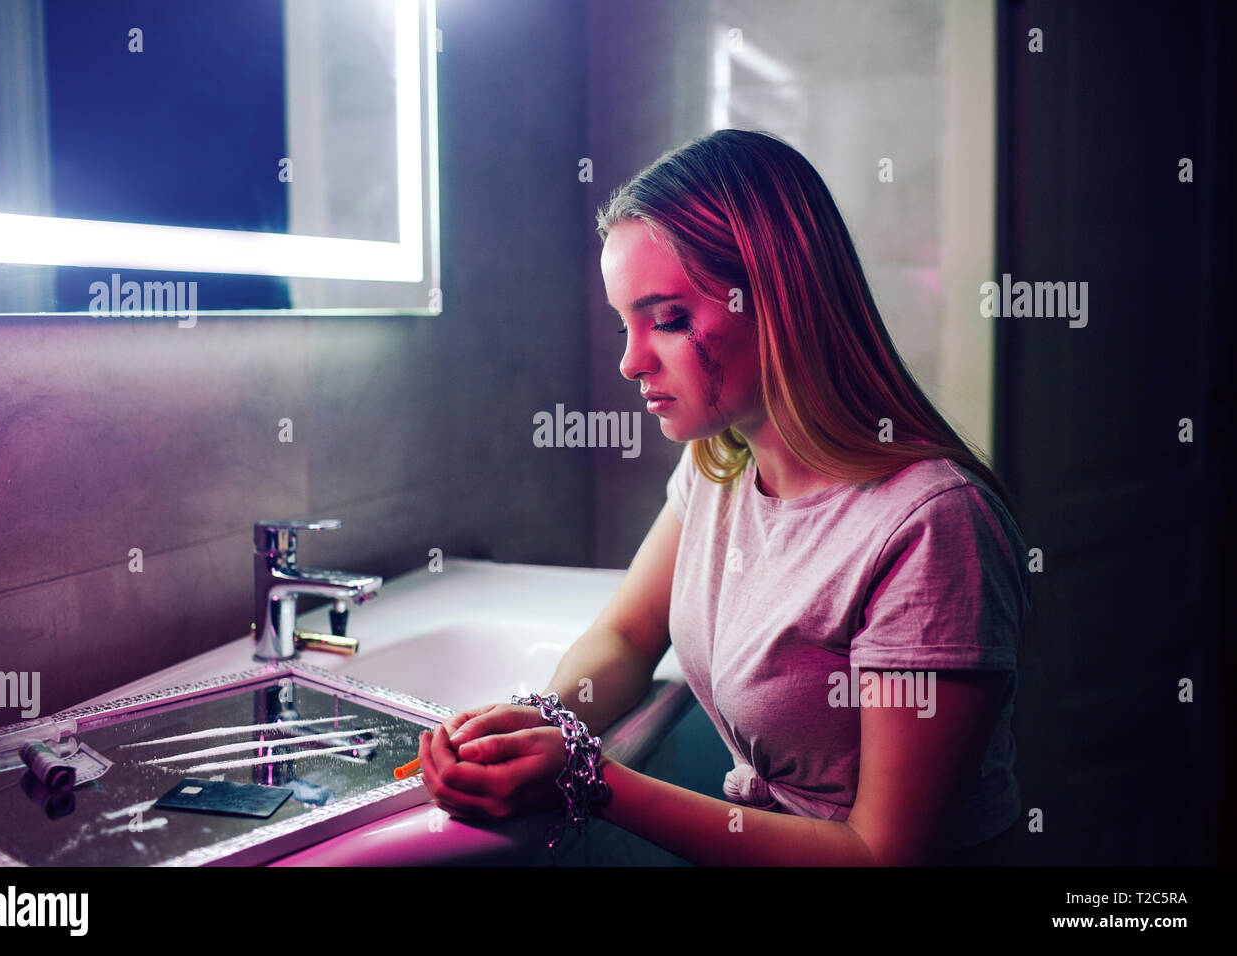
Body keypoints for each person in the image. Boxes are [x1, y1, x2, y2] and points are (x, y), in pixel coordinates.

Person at [415, 129, 1033, 866]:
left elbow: (879, 853)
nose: (629, 360)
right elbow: (630, 633)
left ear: (779, 300)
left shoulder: (932, 525)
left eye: (668, 319)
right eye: (624, 323)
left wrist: (587, 776)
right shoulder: (719, 463)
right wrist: (544, 716)